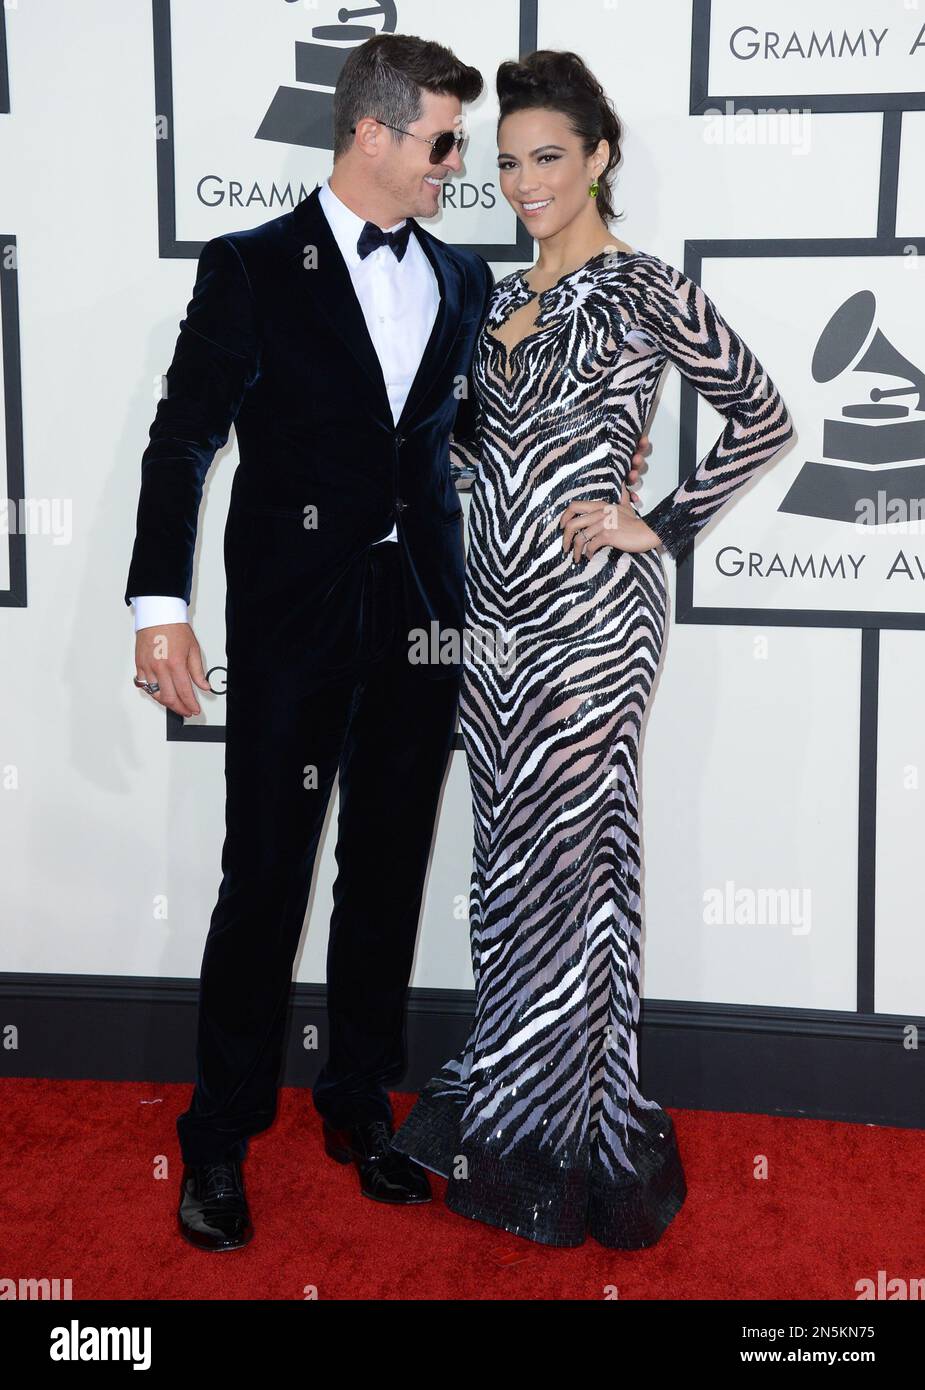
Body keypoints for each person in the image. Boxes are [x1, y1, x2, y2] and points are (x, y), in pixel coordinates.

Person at [125, 31, 652, 1252]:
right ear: (371, 132)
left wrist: (616, 476)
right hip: (291, 627)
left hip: (426, 627)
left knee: (386, 873)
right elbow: (182, 440)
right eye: (443, 140)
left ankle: (358, 1100)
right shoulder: (252, 266)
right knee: (263, 878)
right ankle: (218, 1133)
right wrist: (161, 606)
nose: (459, 165)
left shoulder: (466, 284)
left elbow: (484, 436)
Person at [392, 49, 795, 1249]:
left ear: (600, 158)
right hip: (492, 617)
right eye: (507, 161)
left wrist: (654, 522)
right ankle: (514, 1113)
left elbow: (765, 416)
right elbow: (456, 451)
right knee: (508, 861)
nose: (523, 180)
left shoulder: (645, 287)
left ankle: (565, 1143)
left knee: (571, 858)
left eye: (548, 157)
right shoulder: (481, 296)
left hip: (595, 615)